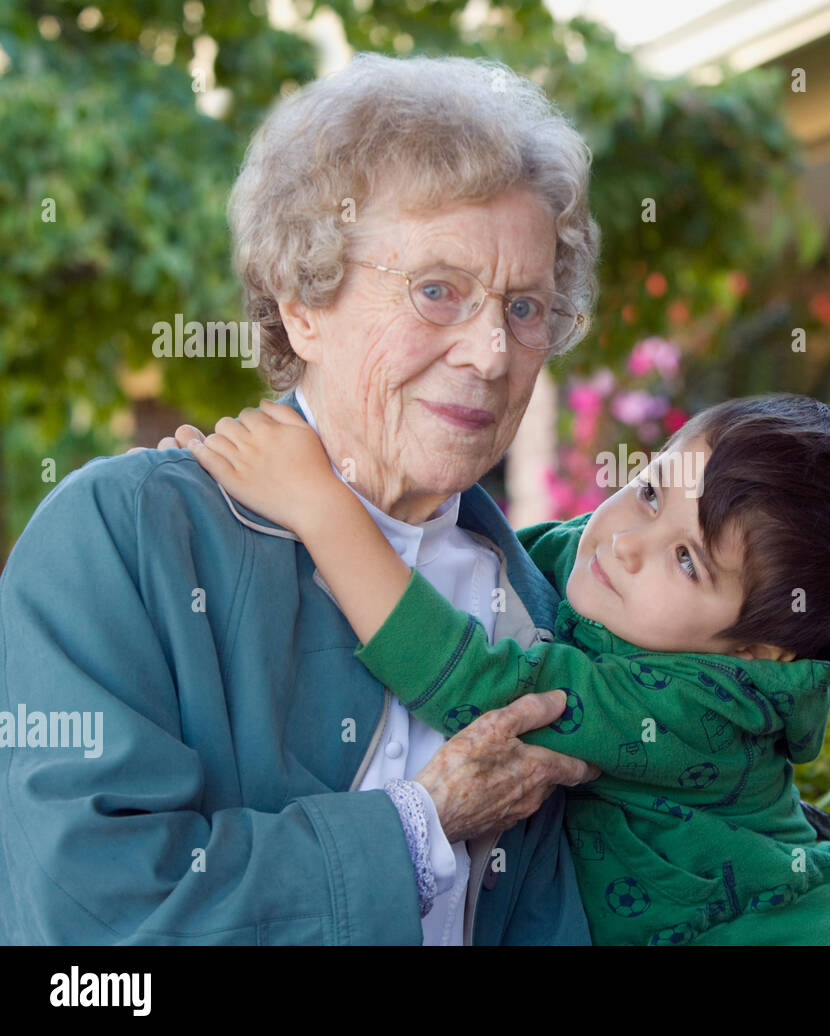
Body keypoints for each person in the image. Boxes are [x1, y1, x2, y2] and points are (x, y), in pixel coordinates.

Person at [0, 53, 601, 944]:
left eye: (524, 308)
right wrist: (418, 824)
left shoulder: (547, 608)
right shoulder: (124, 540)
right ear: (301, 304)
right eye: (438, 292)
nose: (491, 353)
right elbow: (93, 925)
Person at [169, 392, 830, 944]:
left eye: (686, 559)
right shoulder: (600, 567)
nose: (627, 542)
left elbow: (481, 687)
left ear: (756, 653)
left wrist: (321, 508)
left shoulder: (701, 709)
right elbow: (469, 582)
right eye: (650, 491)